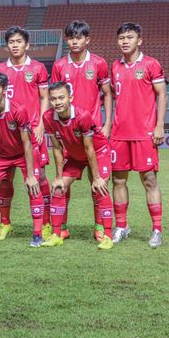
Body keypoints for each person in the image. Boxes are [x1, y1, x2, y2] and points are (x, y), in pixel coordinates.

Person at [50, 20, 113, 241]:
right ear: (66, 39)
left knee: (99, 186)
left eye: (79, 37)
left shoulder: (98, 63)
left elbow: (107, 93)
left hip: (93, 136)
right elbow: (55, 95)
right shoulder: (59, 66)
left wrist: (106, 124)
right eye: (71, 37)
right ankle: (61, 229)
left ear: (87, 39)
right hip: (71, 140)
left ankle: (100, 228)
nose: (75, 41)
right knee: (61, 186)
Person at [110, 23, 168, 248]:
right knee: (118, 180)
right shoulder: (115, 66)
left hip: (144, 133)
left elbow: (162, 95)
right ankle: (122, 226)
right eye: (122, 37)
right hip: (119, 133)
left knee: (150, 180)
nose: (125, 41)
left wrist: (159, 125)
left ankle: (157, 230)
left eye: (130, 37)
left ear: (139, 41)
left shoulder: (151, 64)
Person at [0, 27, 52, 241]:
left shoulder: (37, 68)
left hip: (32, 130)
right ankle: (5, 223)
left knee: (40, 177)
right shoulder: (0, 70)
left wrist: (41, 125)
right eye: (11, 41)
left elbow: (44, 97)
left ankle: (44, 224)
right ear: (7, 45)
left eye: (19, 41)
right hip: (7, 134)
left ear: (27, 45)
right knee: (5, 179)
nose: (15, 45)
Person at [0, 69, 44, 247]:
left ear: (4, 89)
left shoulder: (18, 109)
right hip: (2, 154)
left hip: (24, 152)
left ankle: (38, 233)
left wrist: (30, 175)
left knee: (33, 187)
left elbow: (27, 143)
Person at [41, 81, 113, 250]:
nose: (57, 102)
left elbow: (89, 149)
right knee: (59, 188)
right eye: (53, 99)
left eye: (61, 98)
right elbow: (57, 148)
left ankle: (105, 234)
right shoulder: (48, 118)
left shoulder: (83, 116)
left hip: (98, 151)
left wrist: (96, 178)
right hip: (73, 154)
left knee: (100, 188)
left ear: (70, 98)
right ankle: (58, 234)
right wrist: (58, 177)